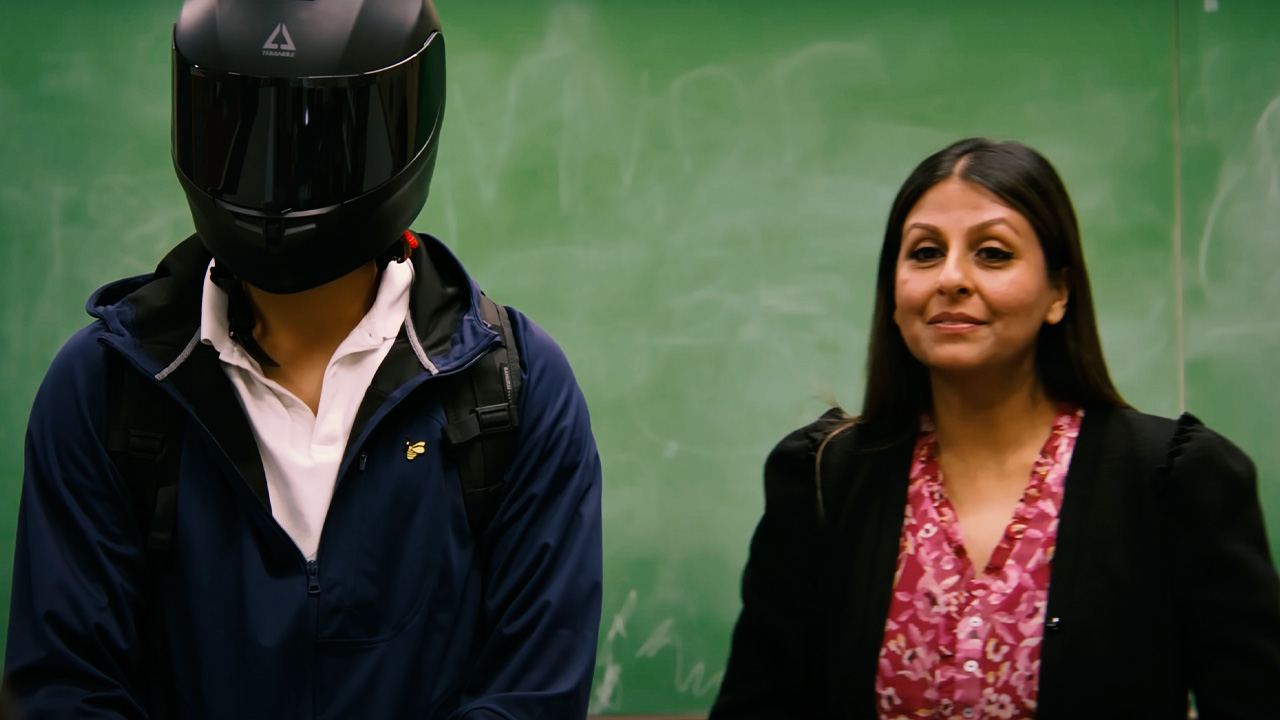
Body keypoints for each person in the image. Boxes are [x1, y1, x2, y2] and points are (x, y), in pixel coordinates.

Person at [4, 1, 603, 718]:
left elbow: (530, 694)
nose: (274, 179)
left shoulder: (509, 389)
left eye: (318, 134)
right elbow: (67, 689)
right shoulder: (107, 386)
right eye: (239, 129)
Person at [709, 138, 1280, 719]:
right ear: (893, 290)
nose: (951, 278)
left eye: (992, 253)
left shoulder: (1176, 480)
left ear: (1059, 291)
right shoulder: (823, 481)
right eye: (926, 253)